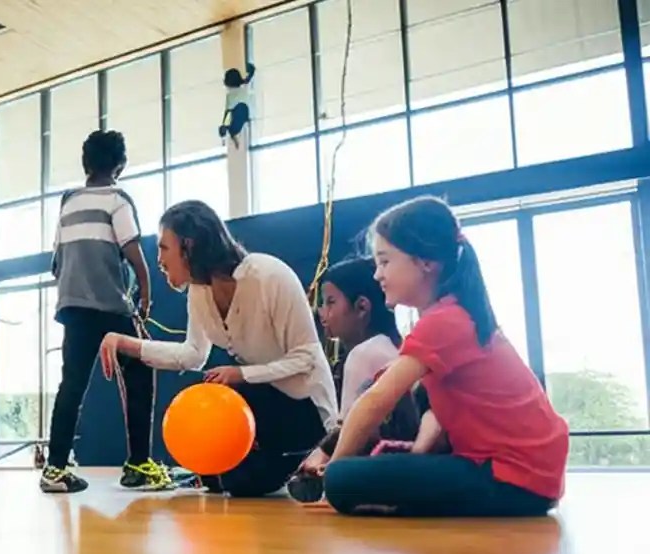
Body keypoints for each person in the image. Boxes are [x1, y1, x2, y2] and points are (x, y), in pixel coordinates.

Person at [309, 196, 568, 517]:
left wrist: (331, 475)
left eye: (385, 261)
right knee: (381, 459)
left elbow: (376, 401)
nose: (377, 274)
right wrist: (418, 454)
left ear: (425, 263)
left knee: (342, 480)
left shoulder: (445, 320)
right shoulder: (451, 313)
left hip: (514, 477)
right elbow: (435, 406)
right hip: (528, 475)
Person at [99, 200, 338, 497]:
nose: (159, 259)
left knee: (235, 473)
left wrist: (241, 373)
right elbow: (193, 355)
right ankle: (285, 468)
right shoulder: (200, 293)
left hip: (307, 408)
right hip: (263, 407)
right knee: (217, 478)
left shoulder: (269, 276)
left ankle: (310, 461)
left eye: (164, 248)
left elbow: (308, 357)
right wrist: (125, 343)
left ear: (189, 245)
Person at [42, 129, 170, 494]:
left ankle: (54, 469)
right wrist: (145, 291)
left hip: (72, 307)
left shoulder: (67, 202)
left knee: (72, 386)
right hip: (112, 306)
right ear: (121, 165)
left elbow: (57, 260)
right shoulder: (118, 199)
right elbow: (132, 249)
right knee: (140, 374)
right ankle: (139, 466)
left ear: (86, 163)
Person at [288, 256, 420, 502]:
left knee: (338, 477)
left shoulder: (364, 353)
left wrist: (324, 461)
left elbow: (351, 428)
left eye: (330, 302)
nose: (321, 312)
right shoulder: (391, 346)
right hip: (405, 454)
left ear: (361, 307)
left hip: (390, 457)